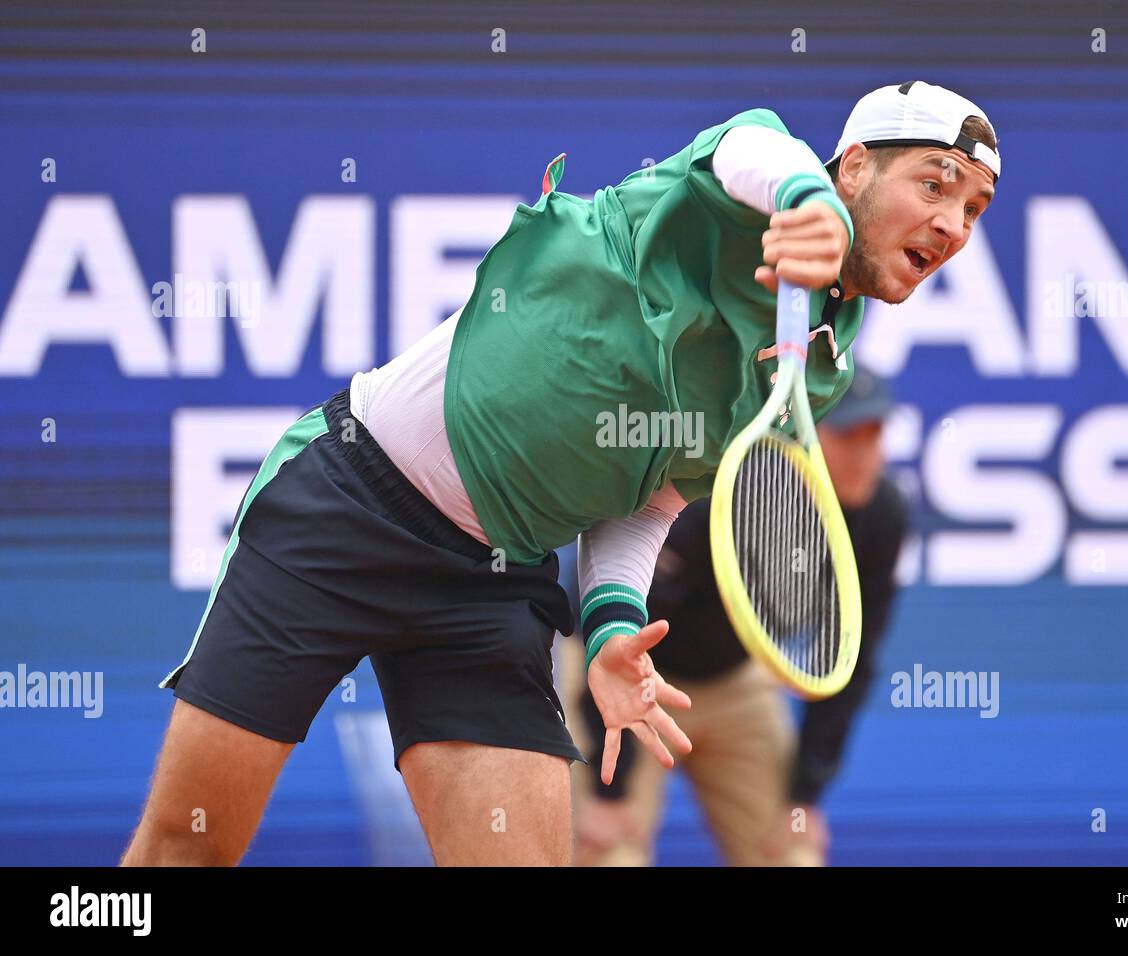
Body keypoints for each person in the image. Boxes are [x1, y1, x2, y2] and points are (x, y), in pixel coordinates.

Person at [122, 80, 999, 866]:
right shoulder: (739, 188)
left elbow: (654, 495)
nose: (953, 225)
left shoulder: (813, 367)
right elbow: (749, 147)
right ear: (852, 167)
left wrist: (615, 623)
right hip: (345, 505)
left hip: (491, 584)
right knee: (183, 853)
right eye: (933, 184)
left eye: (974, 209)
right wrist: (807, 201)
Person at [569, 370, 907, 866]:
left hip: (736, 682)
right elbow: (622, 647)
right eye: (848, 435)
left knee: (791, 853)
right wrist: (609, 797)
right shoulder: (711, 503)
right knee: (610, 855)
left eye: (875, 434)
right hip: (631, 676)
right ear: (801, 441)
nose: (866, 455)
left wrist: (804, 798)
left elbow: (850, 662)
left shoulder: (882, 516)